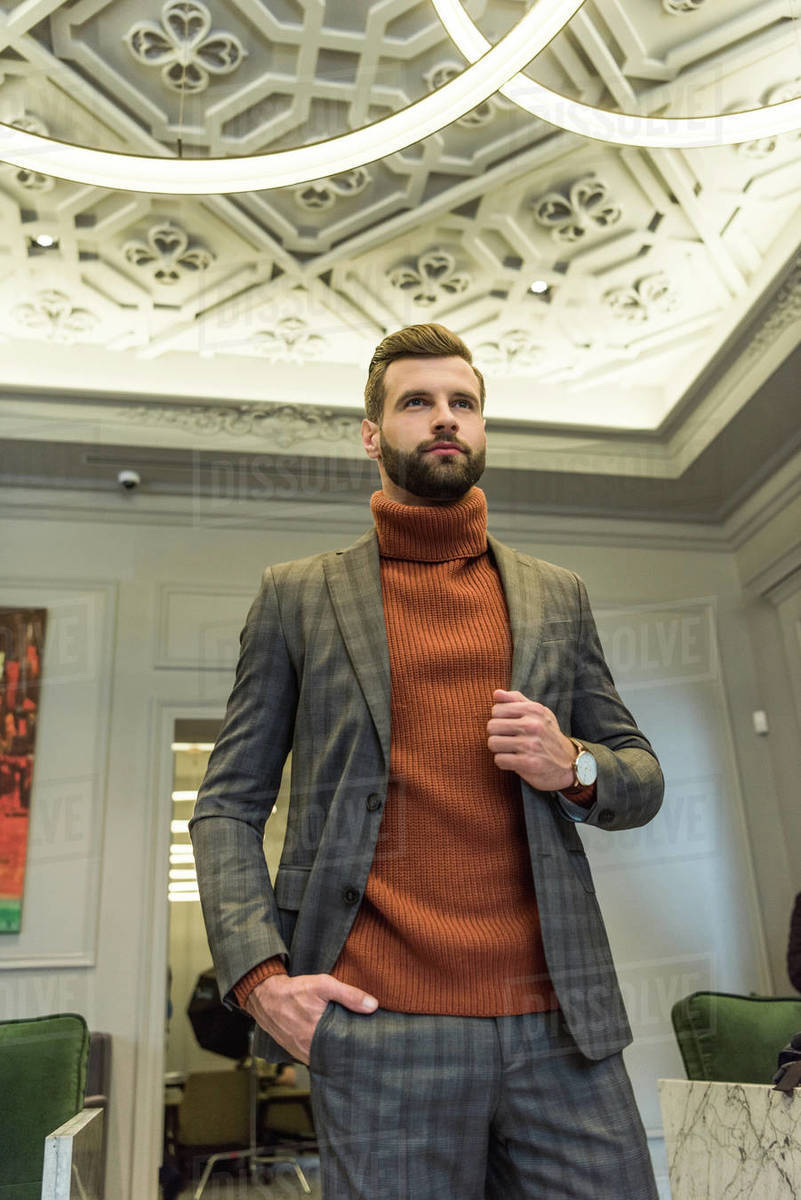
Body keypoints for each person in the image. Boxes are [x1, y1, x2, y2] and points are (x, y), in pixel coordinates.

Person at [191, 323, 664, 1199]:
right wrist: (259, 978)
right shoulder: (295, 594)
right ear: (372, 434)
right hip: (379, 1030)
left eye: (463, 403)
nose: (444, 419)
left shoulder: (556, 595)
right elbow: (226, 805)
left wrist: (575, 767)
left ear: (481, 427)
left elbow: (638, 773)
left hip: (563, 1027)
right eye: (417, 402)